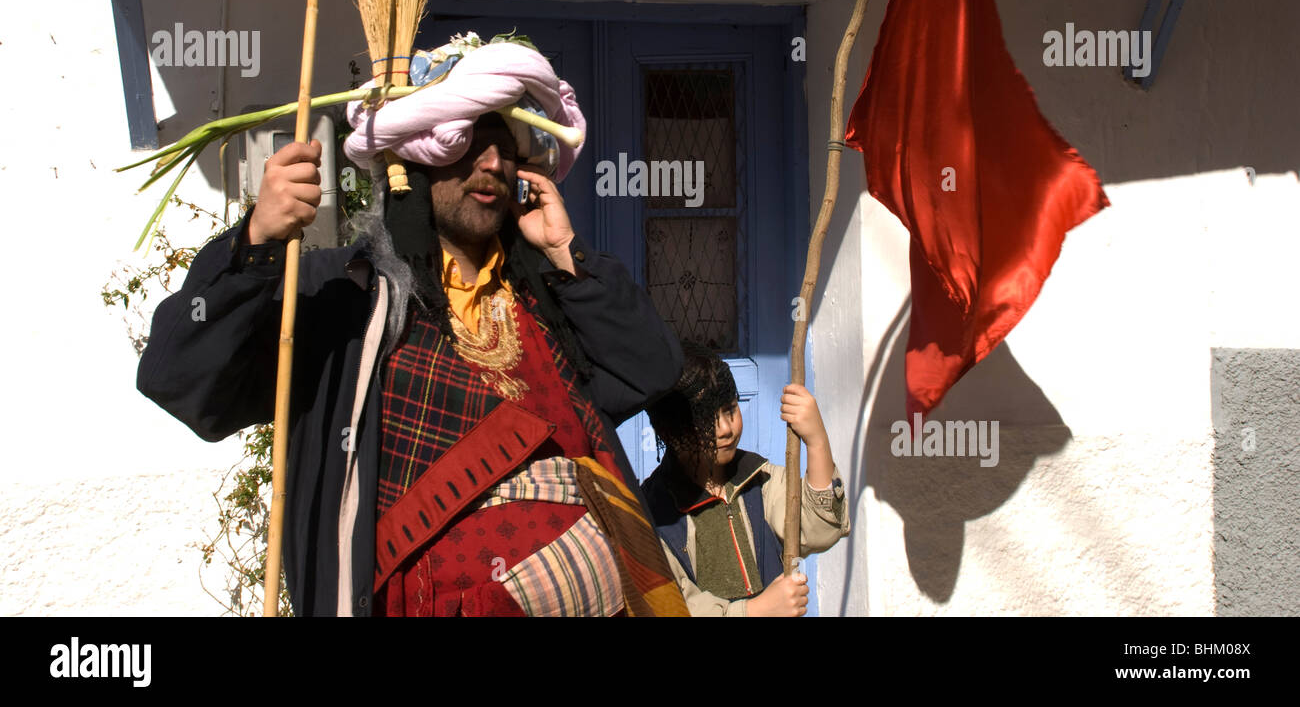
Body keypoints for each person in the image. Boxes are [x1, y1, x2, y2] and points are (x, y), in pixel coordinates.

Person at [137, 34, 688, 617]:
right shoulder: (342, 298)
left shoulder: (544, 295)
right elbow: (184, 382)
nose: (493, 163)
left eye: (505, 150)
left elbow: (650, 369)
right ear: (411, 163)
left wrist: (565, 252)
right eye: (466, 142)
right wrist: (256, 245)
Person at [641, 345, 849, 616]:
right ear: (670, 431)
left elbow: (821, 529)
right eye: (706, 420)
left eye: (730, 410)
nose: (726, 429)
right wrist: (754, 611)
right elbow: (672, 607)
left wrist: (817, 441)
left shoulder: (759, 480)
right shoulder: (653, 516)